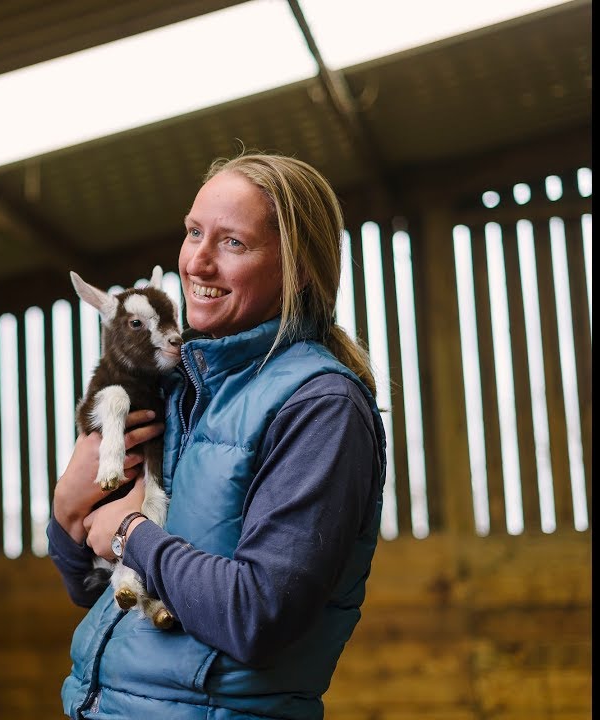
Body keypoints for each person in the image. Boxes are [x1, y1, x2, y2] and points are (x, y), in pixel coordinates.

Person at [48, 151, 388, 720]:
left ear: (297, 267)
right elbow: (90, 590)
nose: (197, 263)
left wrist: (130, 533)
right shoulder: (178, 388)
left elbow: (259, 616)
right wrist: (66, 511)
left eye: (233, 242)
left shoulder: (321, 408)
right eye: (193, 233)